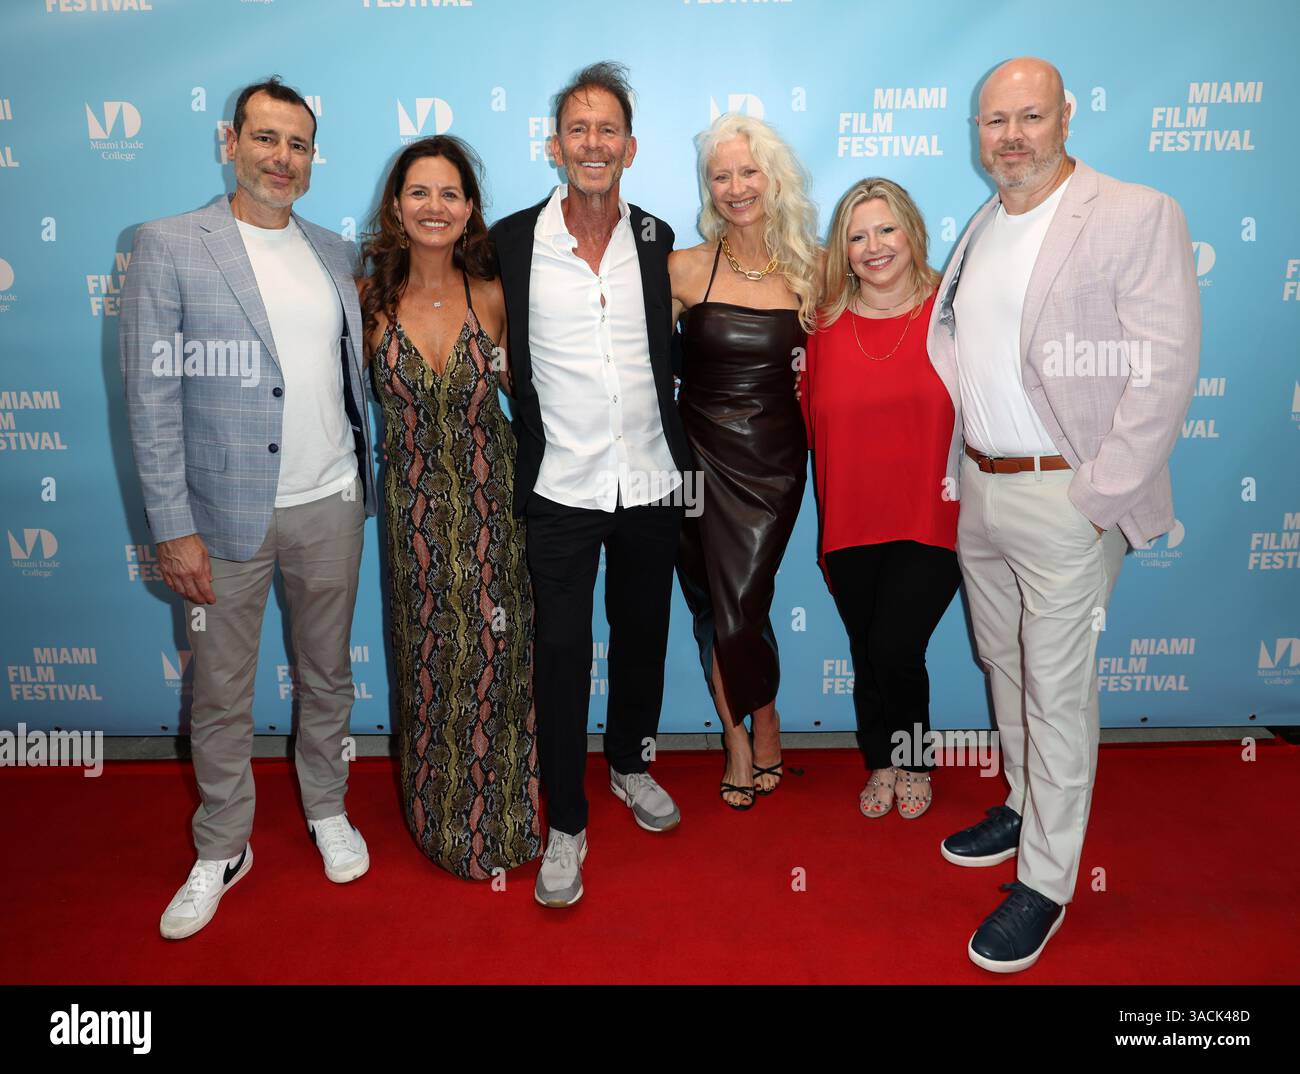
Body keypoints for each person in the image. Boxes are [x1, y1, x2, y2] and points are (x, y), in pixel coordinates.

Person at [927, 57, 1199, 972]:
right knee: (1002, 661)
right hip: (984, 485)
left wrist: (1098, 497)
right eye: (993, 121)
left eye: (1029, 116)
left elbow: (1164, 374)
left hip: (1066, 495)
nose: (1010, 136)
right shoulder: (983, 223)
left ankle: (1044, 882)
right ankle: (1021, 802)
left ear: (1066, 116)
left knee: (1060, 690)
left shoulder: (1133, 212)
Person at [120, 77, 377, 939]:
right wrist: (171, 528)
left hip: (331, 505)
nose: (282, 158)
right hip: (219, 520)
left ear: (313, 155)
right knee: (221, 694)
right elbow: (150, 402)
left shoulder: (337, 252)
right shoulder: (168, 244)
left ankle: (327, 807)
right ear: (231, 141)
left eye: (298, 144)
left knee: (327, 676)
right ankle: (224, 844)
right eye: (266, 139)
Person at [489, 61, 692, 908]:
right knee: (563, 655)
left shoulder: (658, 237)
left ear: (632, 147)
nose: (594, 143)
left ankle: (632, 763)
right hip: (561, 487)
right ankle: (565, 821)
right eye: (580, 129)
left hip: (651, 479)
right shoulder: (507, 243)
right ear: (555, 145)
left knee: (644, 636)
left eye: (609, 129)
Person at [359, 137, 541, 880]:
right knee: (432, 665)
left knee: (501, 665)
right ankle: (439, 818)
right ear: (397, 207)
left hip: (497, 515)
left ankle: (508, 816)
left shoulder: (491, 296)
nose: (435, 207)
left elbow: (533, 404)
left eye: (450, 195)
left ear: (470, 210)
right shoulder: (366, 298)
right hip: (415, 523)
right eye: (419, 193)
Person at [668, 114, 817, 810]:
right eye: (721, 176)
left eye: (748, 172)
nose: (735, 187)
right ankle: (742, 733)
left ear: (773, 178)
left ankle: (765, 714)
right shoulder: (685, 266)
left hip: (776, 463)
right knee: (717, 609)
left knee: (745, 603)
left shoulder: (812, 269)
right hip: (696, 456)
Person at [802, 178, 961, 821]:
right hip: (848, 522)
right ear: (842, 249)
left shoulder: (953, 315)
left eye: (887, 229)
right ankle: (882, 761)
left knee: (896, 646)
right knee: (867, 650)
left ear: (912, 232)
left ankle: (914, 759)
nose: (875, 247)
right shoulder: (821, 324)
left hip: (932, 518)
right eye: (858, 236)